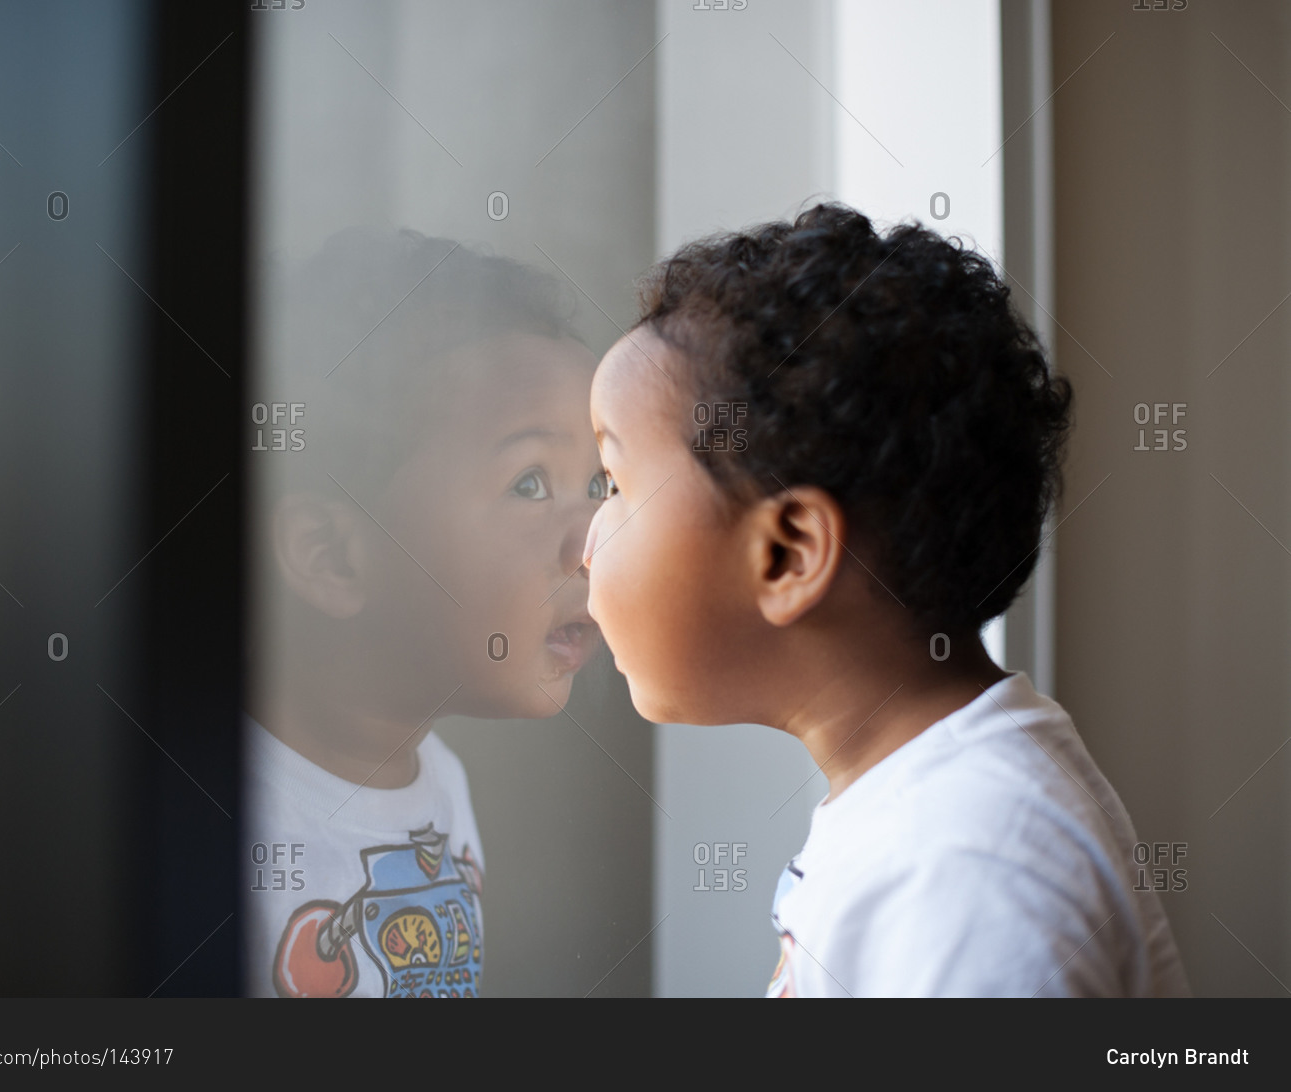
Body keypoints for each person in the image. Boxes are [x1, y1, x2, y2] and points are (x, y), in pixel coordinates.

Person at [582, 203, 1189, 996]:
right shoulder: (929, 813)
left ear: (788, 553)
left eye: (615, 484)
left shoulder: (965, 875)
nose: (584, 542)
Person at [244, 228, 606, 997]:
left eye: (600, 487)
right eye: (532, 483)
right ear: (333, 558)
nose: (593, 539)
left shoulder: (440, 786)